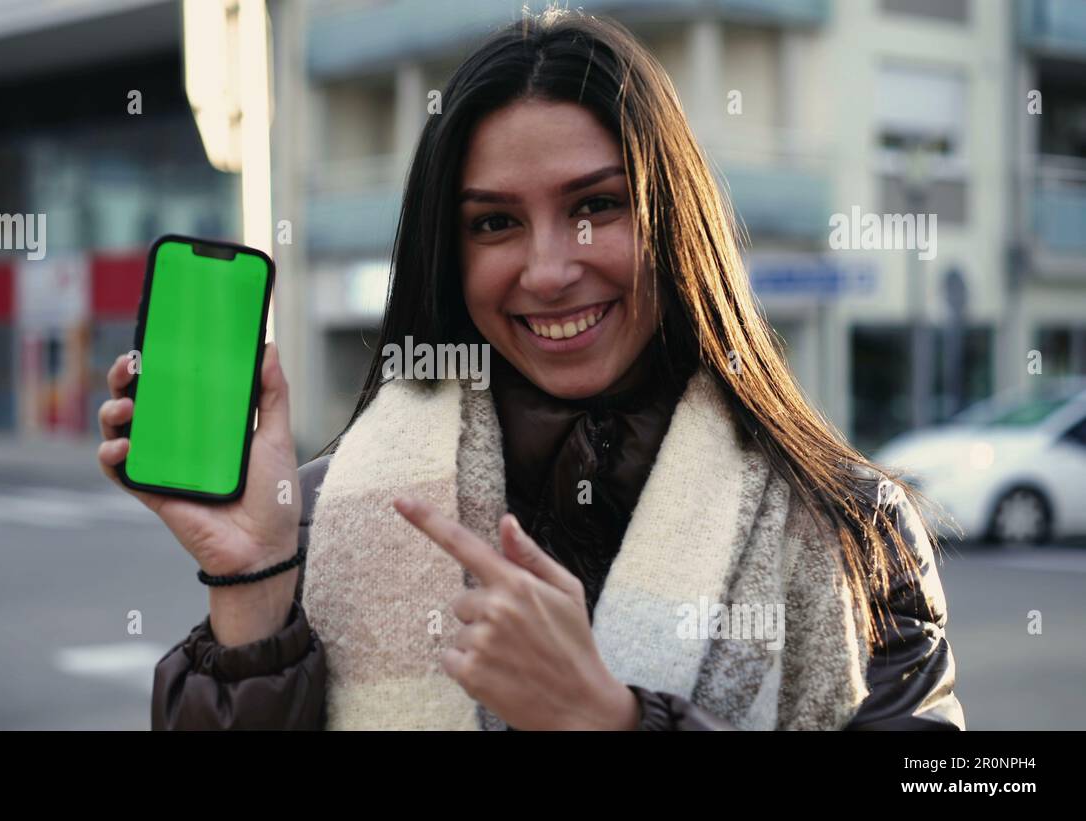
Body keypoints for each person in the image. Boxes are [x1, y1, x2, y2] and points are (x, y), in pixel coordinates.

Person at [97, 9, 964, 730]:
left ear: (675, 221)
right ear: (449, 253)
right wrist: (252, 576)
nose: (549, 269)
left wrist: (612, 720)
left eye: (597, 206)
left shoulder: (854, 526)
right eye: (494, 224)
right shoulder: (333, 509)